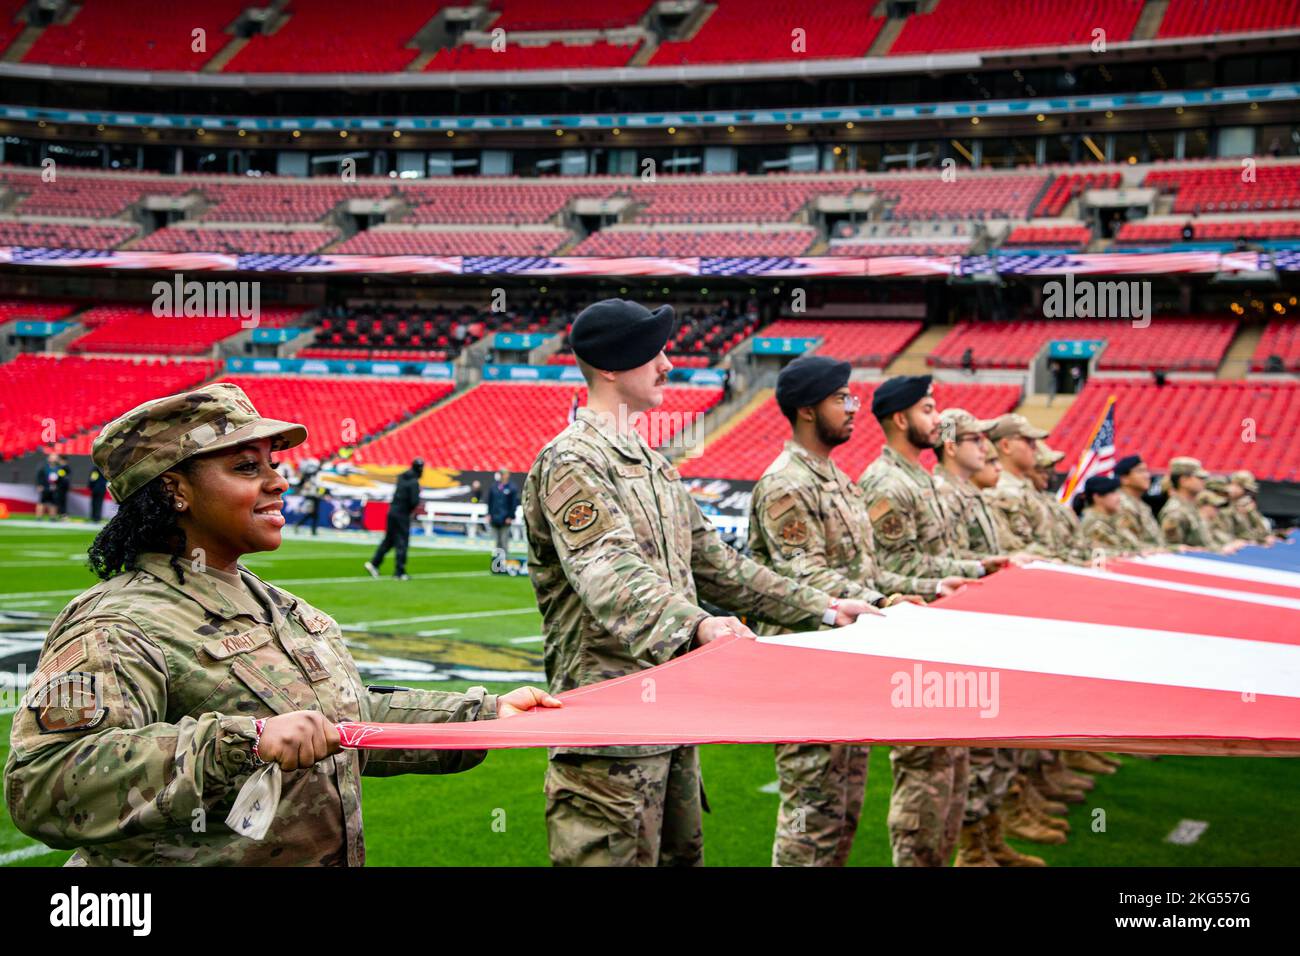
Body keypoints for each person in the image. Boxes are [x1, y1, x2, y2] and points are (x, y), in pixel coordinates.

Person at [3, 383, 559, 866]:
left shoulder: (282, 607)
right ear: (175, 490)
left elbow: (347, 723)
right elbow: (44, 784)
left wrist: (484, 714)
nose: (277, 481)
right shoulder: (118, 623)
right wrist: (244, 743)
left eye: (273, 463)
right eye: (247, 467)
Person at [521, 298, 878, 867]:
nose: (667, 365)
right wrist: (699, 625)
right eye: (654, 353)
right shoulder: (573, 460)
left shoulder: (655, 465)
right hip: (609, 735)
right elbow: (607, 573)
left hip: (671, 719)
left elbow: (720, 566)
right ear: (611, 366)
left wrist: (828, 608)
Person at [749, 357, 967, 868]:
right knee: (814, 819)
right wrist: (879, 603)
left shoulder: (836, 480)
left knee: (842, 814)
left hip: (844, 665)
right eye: (840, 399)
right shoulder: (787, 482)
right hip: (806, 673)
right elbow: (803, 574)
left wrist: (929, 586)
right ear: (807, 410)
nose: (853, 409)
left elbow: (869, 571)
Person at [858, 375, 1008, 868]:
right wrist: (964, 574)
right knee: (923, 773)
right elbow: (887, 569)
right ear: (900, 419)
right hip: (918, 643)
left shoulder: (920, 478)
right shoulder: (886, 481)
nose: (937, 418)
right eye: (927, 409)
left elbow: (935, 557)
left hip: (946, 636)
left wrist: (972, 571)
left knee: (951, 769)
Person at [932, 409, 1052, 865]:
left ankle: (989, 837)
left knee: (994, 746)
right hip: (962, 638)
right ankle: (975, 849)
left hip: (989, 632)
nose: (984, 449)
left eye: (986, 440)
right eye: (974, 439)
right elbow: (952, 561)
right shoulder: (947, 492)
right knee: (973, 751)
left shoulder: (970, 493)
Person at [366, 458, 423, 580]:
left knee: (389, 540)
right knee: (402, 542)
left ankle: (374, 563)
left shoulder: (402, 477)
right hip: (402, 514)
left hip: (392, 511)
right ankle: (399, 572)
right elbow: (414, 501)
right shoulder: (414, 482)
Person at [1158, 457, 1216, 549]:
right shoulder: (1175, 511)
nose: (1203, 481)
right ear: (1183, 481)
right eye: (1199, 478)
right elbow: (1173, 549)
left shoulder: (1190, 507)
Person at [1079, 474, 1143, 556]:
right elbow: (1113, 552)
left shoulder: (1110, 519)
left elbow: (1133, 545)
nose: (1118, 497)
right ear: (1097, 497)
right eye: (1112, 493)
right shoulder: (1094, 524)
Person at [1114, 455, 1165, 549]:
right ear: (1124, 479)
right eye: (1140, 471)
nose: (1147, 476)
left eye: (1146, 471)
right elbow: (1130, 545)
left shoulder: (1141, 505)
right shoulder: (1120, 504)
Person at [487, 468, 520, 555]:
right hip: (495, 517)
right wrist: (489, 514)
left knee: (504, 540)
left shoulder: (512, 488)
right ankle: (497, 561)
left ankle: (505, 560)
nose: (502, 475)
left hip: (505, 518)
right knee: (497, 541)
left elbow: (514, 504)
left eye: (504, 474)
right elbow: (490, 501)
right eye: (501, 474)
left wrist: (510, 516)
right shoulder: (494, 486)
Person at [34, 452, 60, 519]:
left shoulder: (59, 468)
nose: (53, 459)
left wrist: (57, 486)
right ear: (49, 459)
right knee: (42, 502)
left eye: (55, 458)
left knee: (53, 503)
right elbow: (39, 477)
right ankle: (39, 517)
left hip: (54, 488)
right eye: (52, 458)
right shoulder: (44, 468)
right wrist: (39, 485)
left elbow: (61, 479)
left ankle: (53, 517)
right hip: (45, 487)